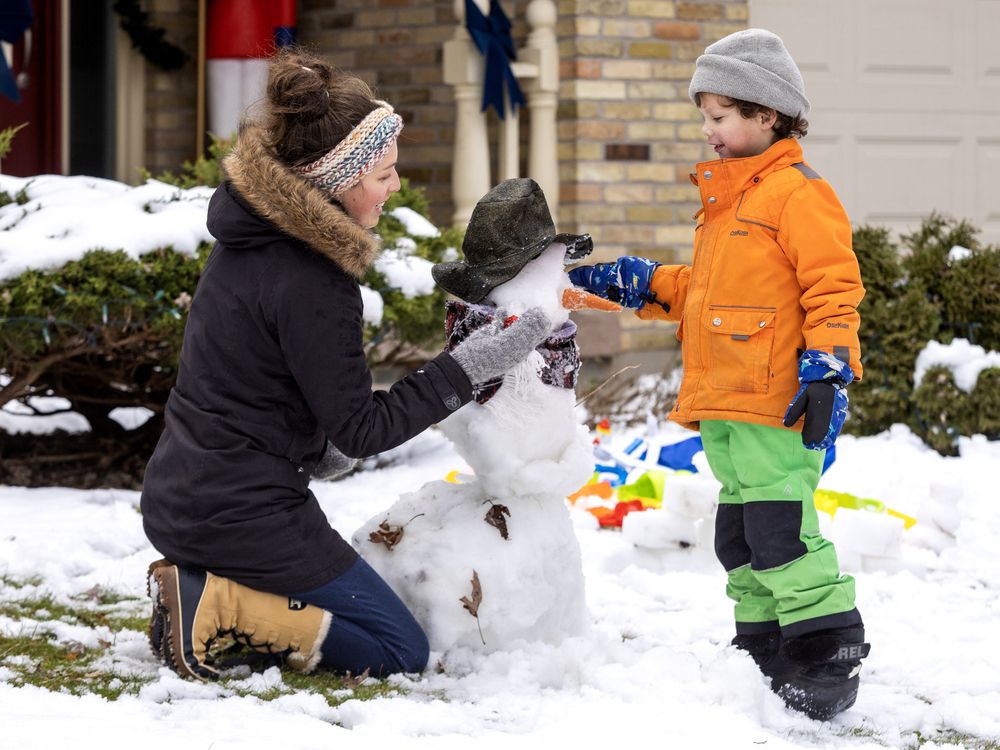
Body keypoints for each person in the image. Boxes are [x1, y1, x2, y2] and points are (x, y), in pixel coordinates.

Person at [140, 48, 551, 682]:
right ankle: (217, 605)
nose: (394, 185)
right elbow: (361, 429)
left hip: (184, 496)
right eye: (383, 173)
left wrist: (313, 443)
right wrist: (469, 367)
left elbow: (253, 384)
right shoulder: (312, 279)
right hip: (244, 512)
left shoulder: (248, 242)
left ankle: (203, 588)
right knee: (398, 649)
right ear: (337, 180)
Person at [568, 28, 870, 720]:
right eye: (705, 116)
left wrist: (827, 371)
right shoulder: (728, 204)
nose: (708, 130)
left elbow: (834, 287)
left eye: (720, 116)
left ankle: (828, 648)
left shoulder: (797, 194)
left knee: (779, 529)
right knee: (738, 535)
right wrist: (638, 283)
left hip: (778, 400)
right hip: (727, 403)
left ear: (768, 114)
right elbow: (705, 293)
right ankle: (766, 642)